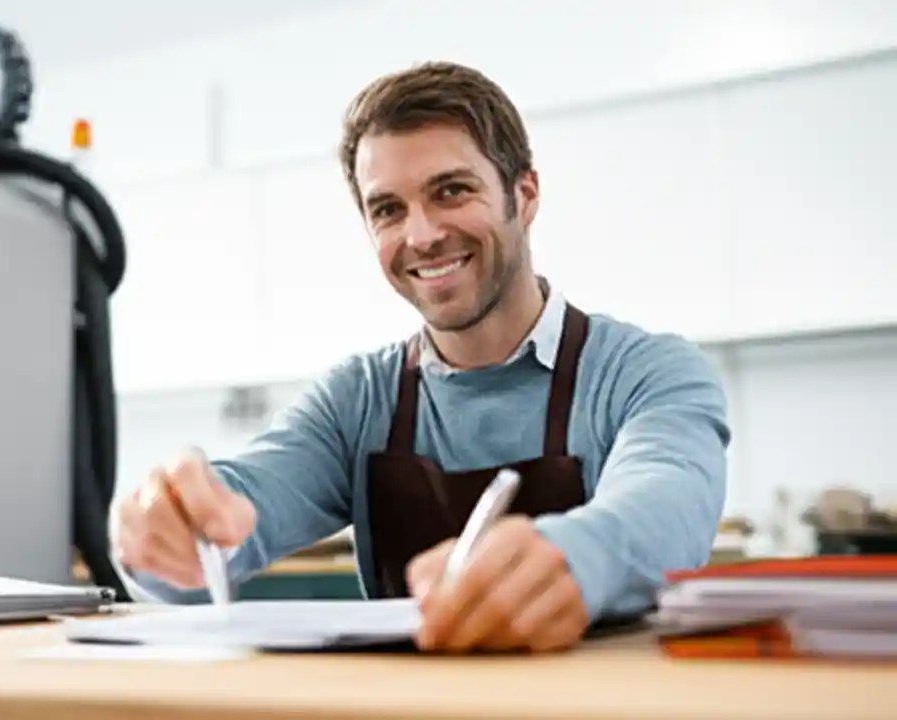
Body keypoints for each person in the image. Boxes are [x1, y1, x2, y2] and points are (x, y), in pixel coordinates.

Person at [109, 60, 730, 653]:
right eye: (388, 209)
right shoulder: (356, 400)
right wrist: (177, 527)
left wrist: (575, 559)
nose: (422, 234)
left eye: (452, 191)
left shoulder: (648, 373)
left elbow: (666, 505)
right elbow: (250, 498)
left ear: (526, 193)